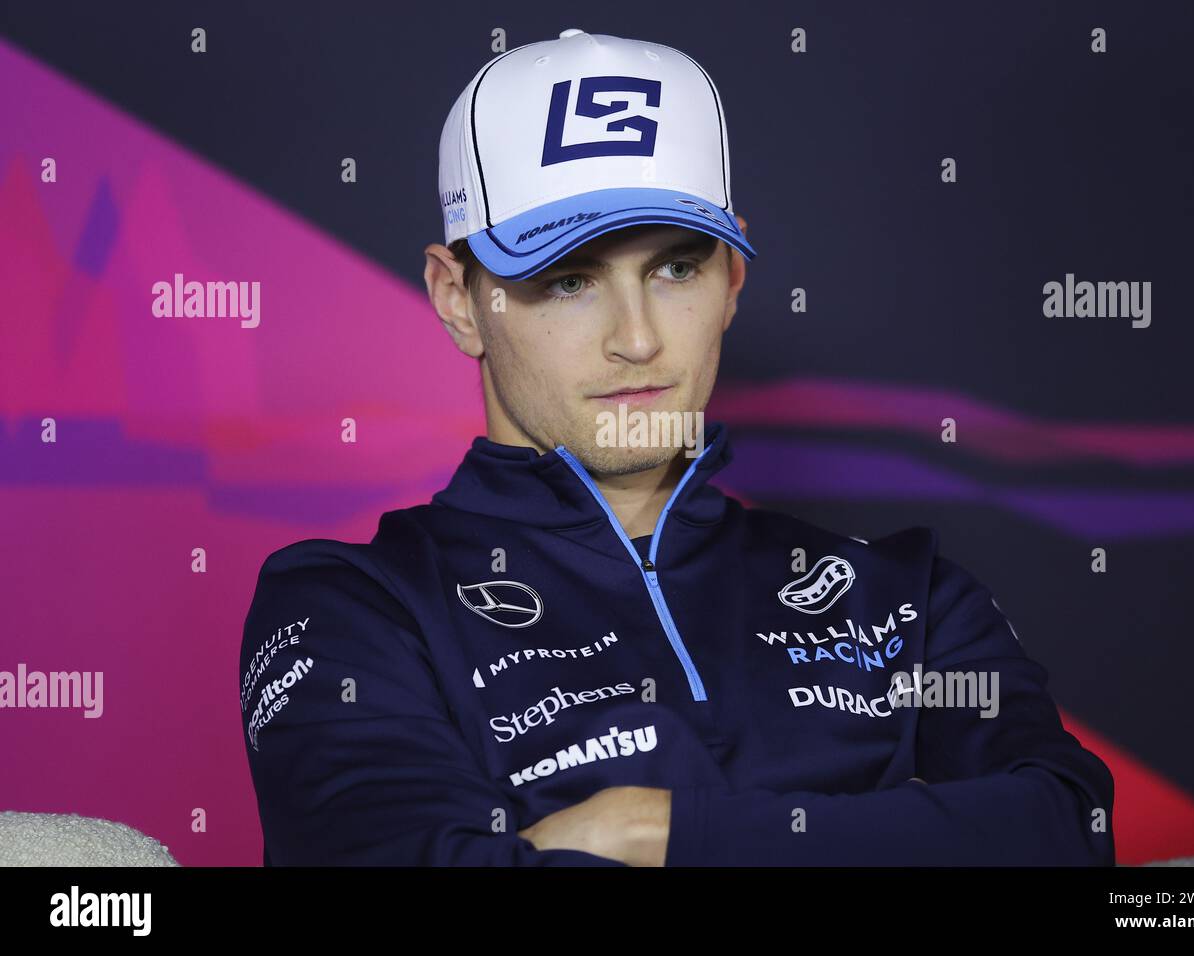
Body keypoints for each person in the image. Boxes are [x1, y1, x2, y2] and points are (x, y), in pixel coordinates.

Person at [239, 28, 1115, 866]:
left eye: (675, 269)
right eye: (569, 279)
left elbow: (1067, 832)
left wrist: (656, 834)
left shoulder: (905, 598)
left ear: (732, 283)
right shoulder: (353, 612)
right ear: (459, 299)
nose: (639, 339)